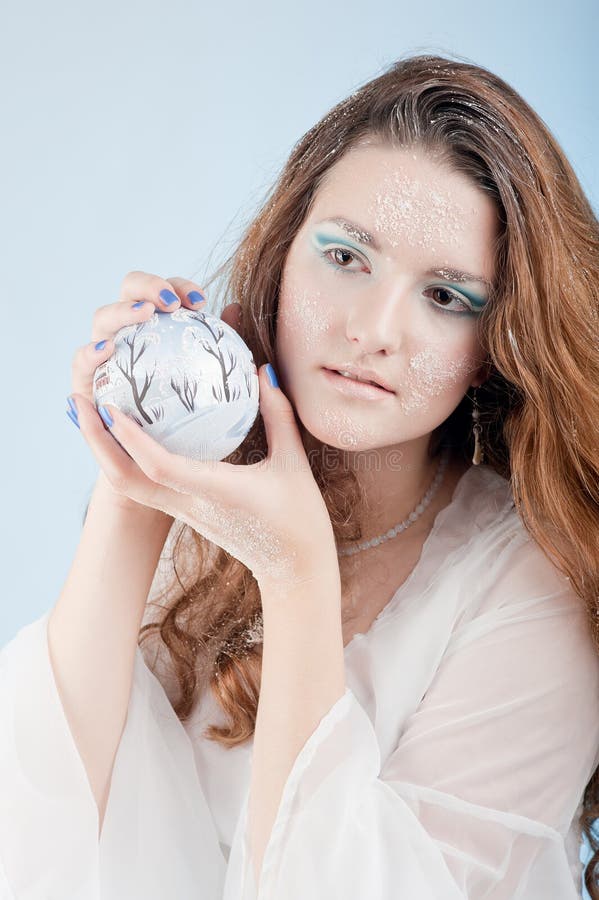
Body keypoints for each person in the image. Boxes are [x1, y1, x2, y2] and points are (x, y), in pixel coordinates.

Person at [1, 53, 598, 900]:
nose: (373, 330)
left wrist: (294, 571)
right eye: (346, 256)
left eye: (447, 297)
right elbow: (31, 844)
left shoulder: (534, 596)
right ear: (282, 257)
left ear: (493, 349)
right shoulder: (216, 510)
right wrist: (133, 485)